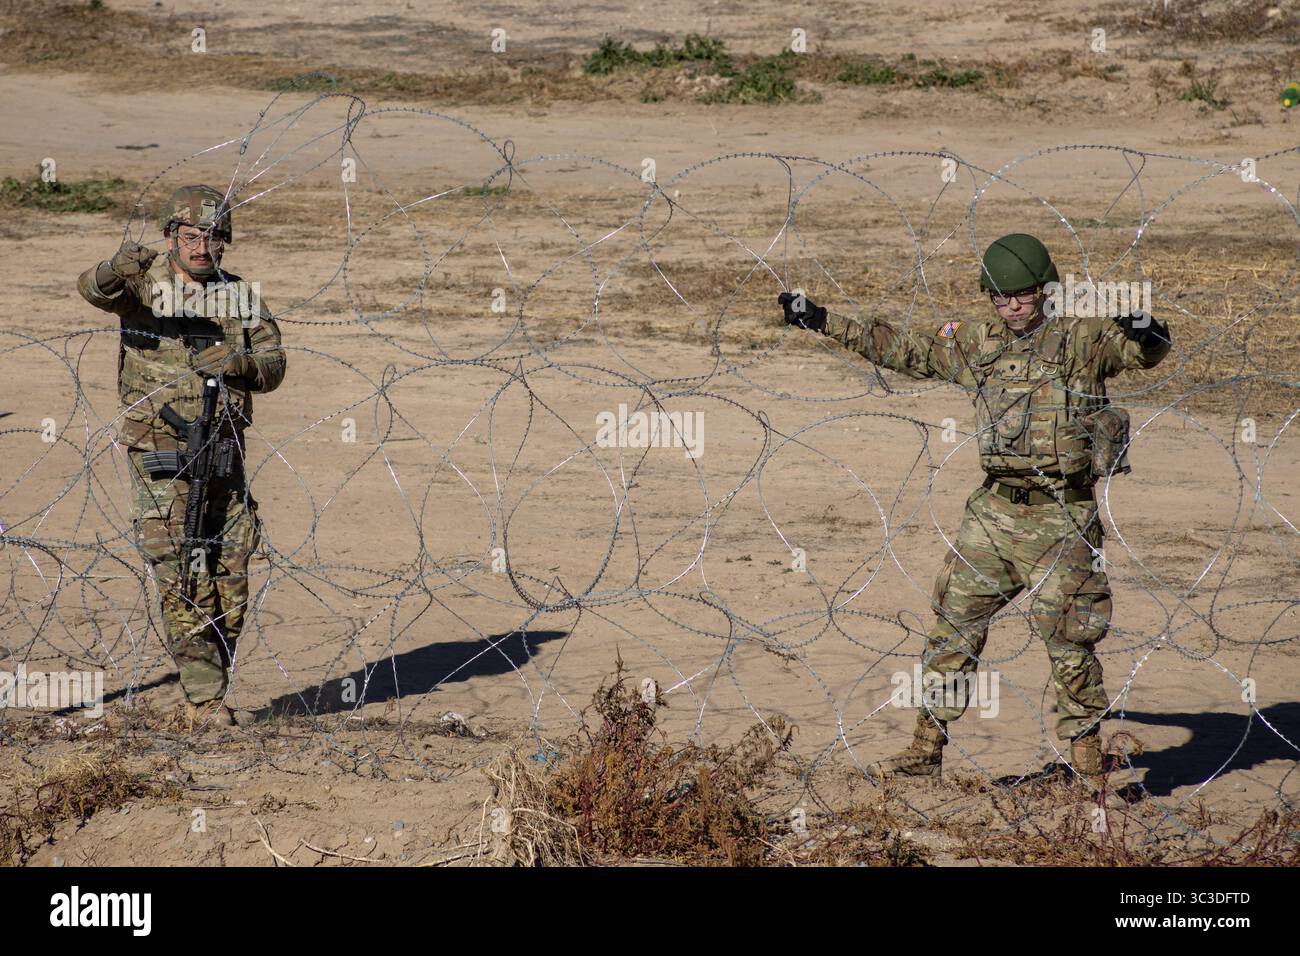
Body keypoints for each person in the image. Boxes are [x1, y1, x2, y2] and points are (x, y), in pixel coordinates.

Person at [778, 233, 1171, 782]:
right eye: (999, 297)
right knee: (951, 630)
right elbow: (903, 350)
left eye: (1022, 296)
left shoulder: (1082, 340)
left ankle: (1085, 766)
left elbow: (1142, 354)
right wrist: (823, 321)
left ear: (1045, 290)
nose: (1010, 307)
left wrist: (1149, 333)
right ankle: (924, 752)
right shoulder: (977, 342)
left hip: (1062, 518)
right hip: (991, 514)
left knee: (1070, 643)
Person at [78, 185, 286, 726]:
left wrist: (239, 363)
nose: (202, 247)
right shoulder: (143, 286)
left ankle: (212, 678)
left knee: (232, 571)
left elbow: (275, 362)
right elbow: (94, 291)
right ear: (171, 235)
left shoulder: (238, 296)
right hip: (160, 452)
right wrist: (113, 267)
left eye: (213, 237)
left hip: (223, 451)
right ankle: (205, 699)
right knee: (181, 569)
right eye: (190, 236)